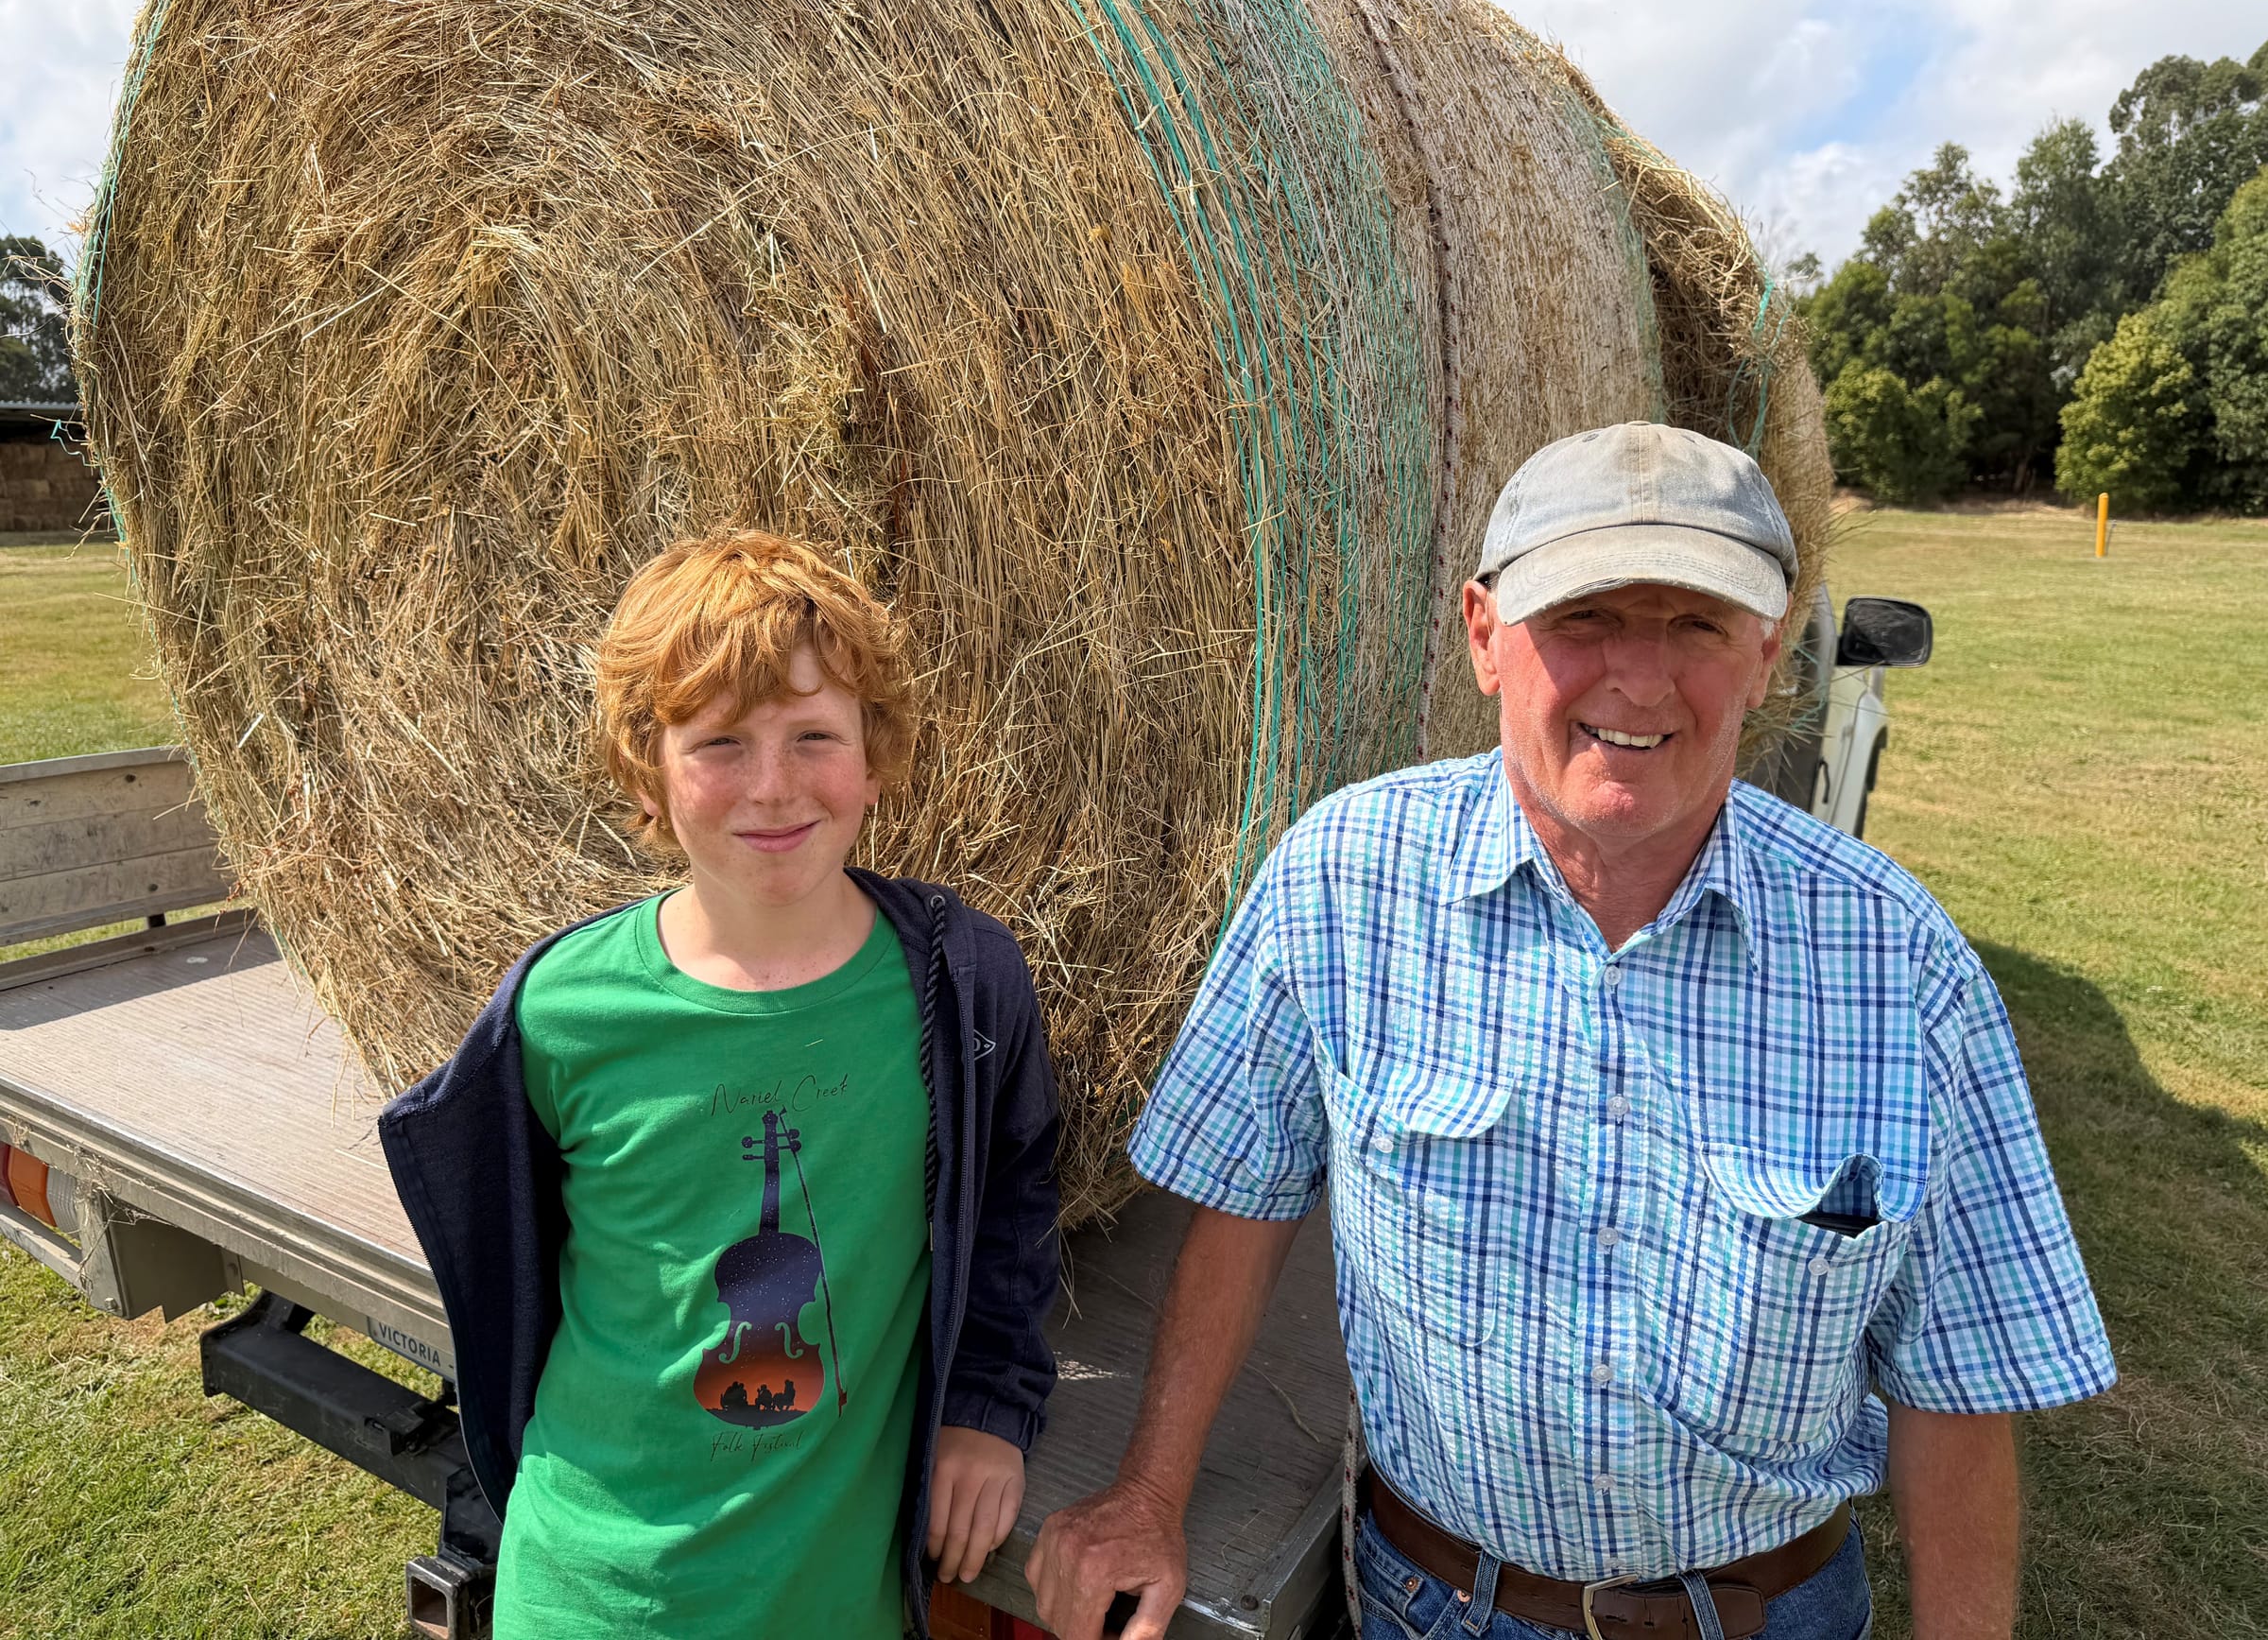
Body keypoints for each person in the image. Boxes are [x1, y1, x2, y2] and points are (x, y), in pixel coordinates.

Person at [1027, 423, 2114, 1640]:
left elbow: (1957, 1374)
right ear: (1486, 635)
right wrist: (1146, 1494)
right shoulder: (1339, 882)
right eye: (1587, 618)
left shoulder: (1898, 963)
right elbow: (1244, 1204)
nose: (1641, 681)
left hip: (1769, 1613)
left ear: (1765, 655)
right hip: (1429, 1603)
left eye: (1698, 626)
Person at [381, 529, 1060, 1639]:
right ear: (646, 773)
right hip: (591, 1594)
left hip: (830, 1608)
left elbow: (1014, 1206)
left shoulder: (961, 989)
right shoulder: (561, 1010)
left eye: (815, 736)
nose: (774, 786)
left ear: (875, 756)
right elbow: (505, 1260)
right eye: (720, 743)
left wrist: (988, 1410)